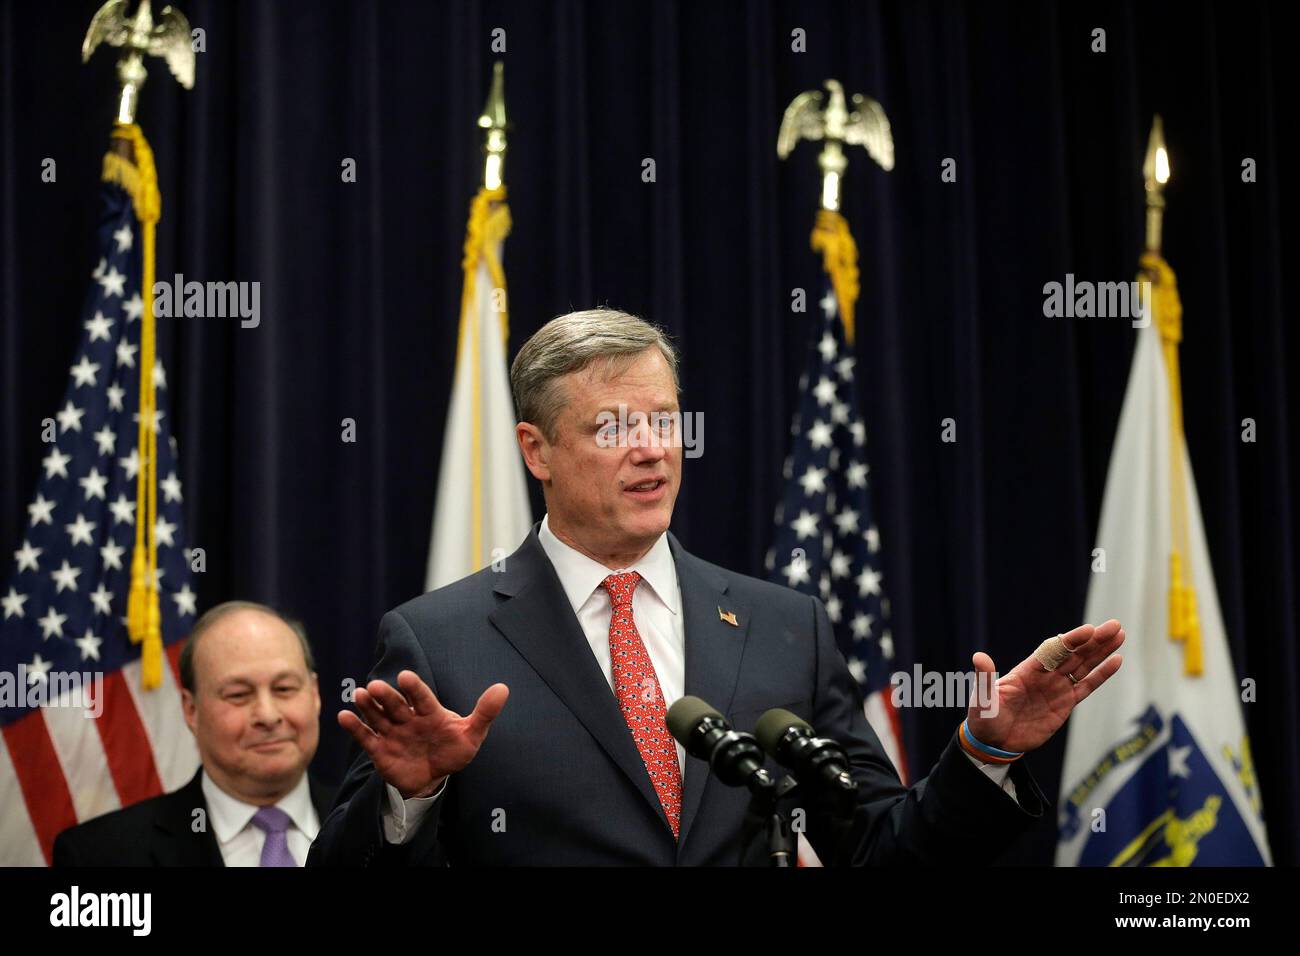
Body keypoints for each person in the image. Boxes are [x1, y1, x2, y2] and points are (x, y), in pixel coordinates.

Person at [309, 309, 1124, 866]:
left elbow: (883, 849)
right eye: (613, 427)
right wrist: (410, 799)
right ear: (537, 450)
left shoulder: (783, 627)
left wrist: (987, 752)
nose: (652, 450)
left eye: (664, 420)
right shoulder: (439, 639)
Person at [54, 601, 335, 866]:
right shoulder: (99, 855)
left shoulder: (374, 825)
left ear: (314, 694)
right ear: (191, 710)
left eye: (284, 688)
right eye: (238, 695)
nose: (268, 715)